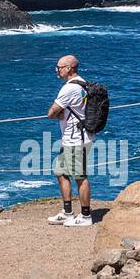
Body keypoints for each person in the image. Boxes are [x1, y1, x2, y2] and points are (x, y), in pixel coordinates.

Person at [46, 54, 93, 226]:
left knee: (80, 177)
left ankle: (86, 216)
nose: (56, 70)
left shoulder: (69, 89)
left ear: (69, 68)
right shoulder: (83, 83)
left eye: (59, 67)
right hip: (71, 138)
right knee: (60, 172)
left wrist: (58, 113)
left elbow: (51, 113)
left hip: (76, 139)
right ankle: (68, 213)